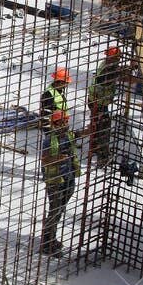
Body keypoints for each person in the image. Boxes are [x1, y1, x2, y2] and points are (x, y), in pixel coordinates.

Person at [39, 109, 78, 256]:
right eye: (62, 122)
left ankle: (50, 237)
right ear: (55, 125)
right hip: (55, 180)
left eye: (66, 121)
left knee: (60, 209)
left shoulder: (68, 135)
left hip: (68, 176)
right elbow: (44, 159)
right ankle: (47, 244)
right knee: (55, 211)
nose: (65, 124)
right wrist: (59, 158)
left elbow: (77, 135)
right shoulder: (49, 140)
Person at [88, 45, 126, 164]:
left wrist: (125, 68)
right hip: (98, 103)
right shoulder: (108, 70)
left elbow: (118, 71)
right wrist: (141, 79)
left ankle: (94, 146)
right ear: (112, 58)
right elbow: (122, 77)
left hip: (96, 101)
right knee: (104, 129)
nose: (119, 59)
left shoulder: (107, 65)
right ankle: (102, 157)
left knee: (97, 125)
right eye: (118, 57)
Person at [40, 67, 70, 131]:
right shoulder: (49, 95)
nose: (66, 85)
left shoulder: (58, 89)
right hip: (55, 126)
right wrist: (48, 129)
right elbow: (46, 113)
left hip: (60, 122)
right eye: (65, 83)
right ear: (59, 82)